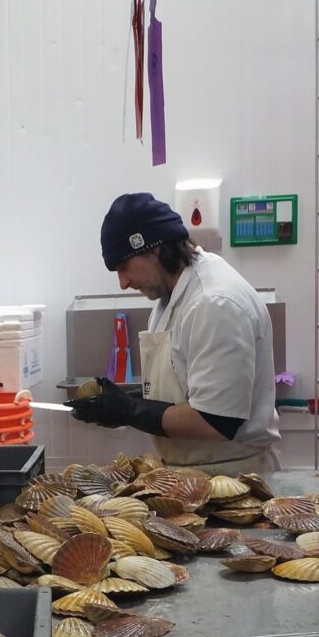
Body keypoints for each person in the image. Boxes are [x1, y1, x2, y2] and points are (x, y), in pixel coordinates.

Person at [69, 192, 282, 473]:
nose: (123, 283)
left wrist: (128, 411)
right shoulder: (171, 296)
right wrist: (123, 401)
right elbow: (184, 390)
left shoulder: (215, 303)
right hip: (193, 472)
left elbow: (215, 421)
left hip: (235, 477)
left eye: (124, 267)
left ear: (154, 248)